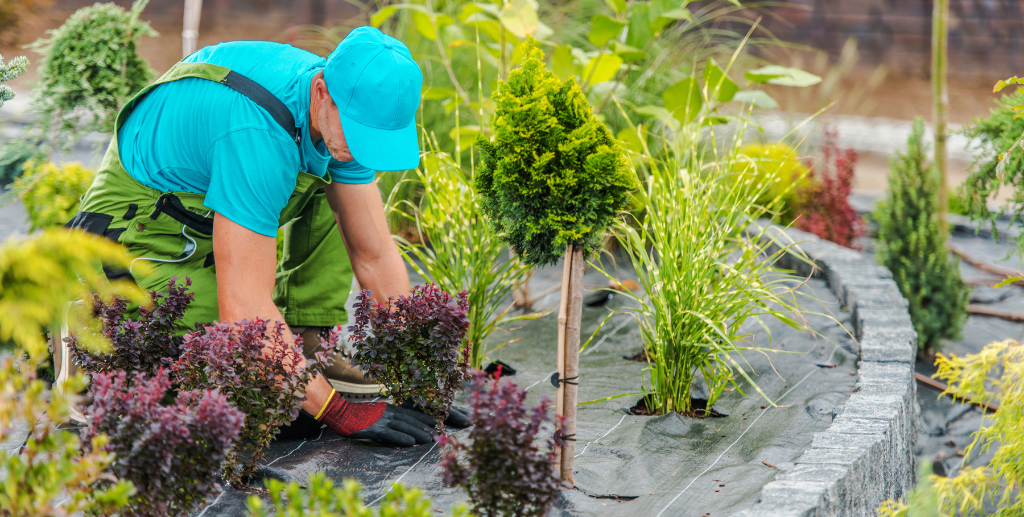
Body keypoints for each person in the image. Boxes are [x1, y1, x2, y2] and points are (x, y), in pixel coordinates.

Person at [62, 27, 468, 447]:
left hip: (207, 209)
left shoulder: (339, 117)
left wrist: (416, 378)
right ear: (321, 90)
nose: (363, 150)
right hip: (138, 227)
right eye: (358, 133)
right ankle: (86, 328)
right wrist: (339, 411)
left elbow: (375, 254)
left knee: (341, 194)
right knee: (228, 398)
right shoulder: (256, 133)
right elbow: (244, 309)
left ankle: (307, 341)